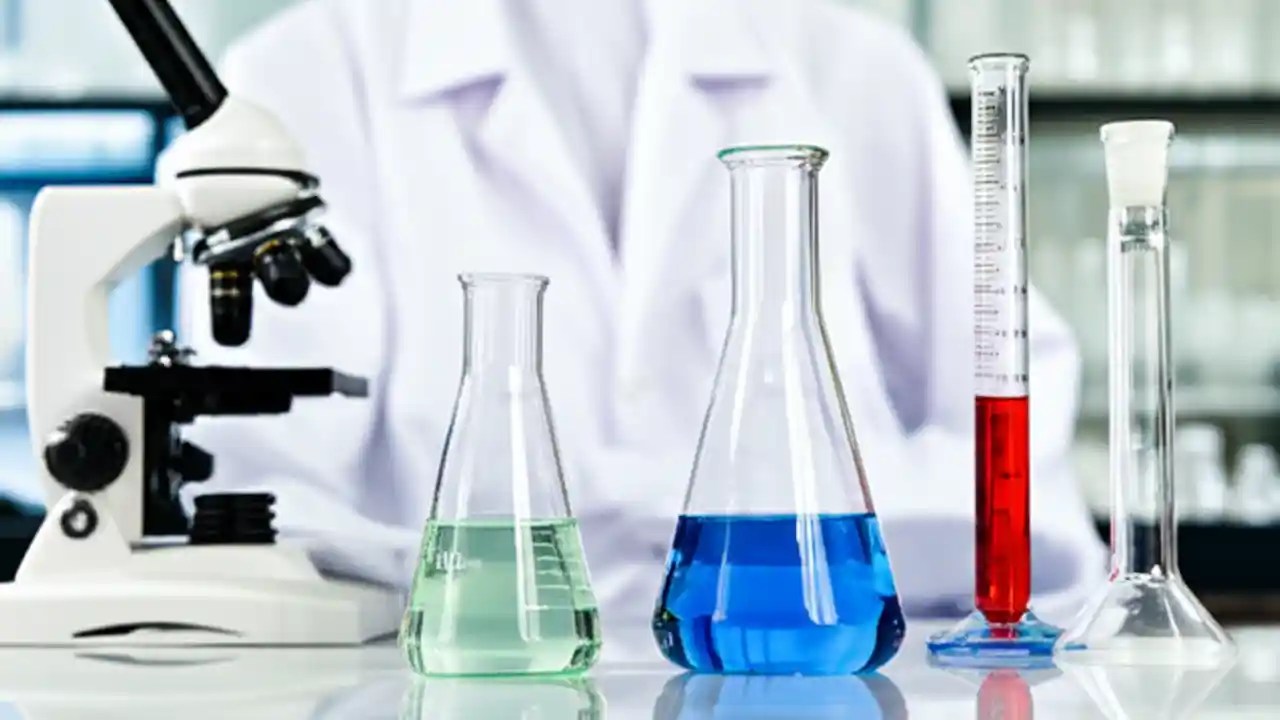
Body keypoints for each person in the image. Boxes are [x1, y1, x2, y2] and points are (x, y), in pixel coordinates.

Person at [180, 0, 1106, 661]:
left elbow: (1023, 504)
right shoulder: (301, 77)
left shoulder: (854, 73)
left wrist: (623, 525)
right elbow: (267, 505)